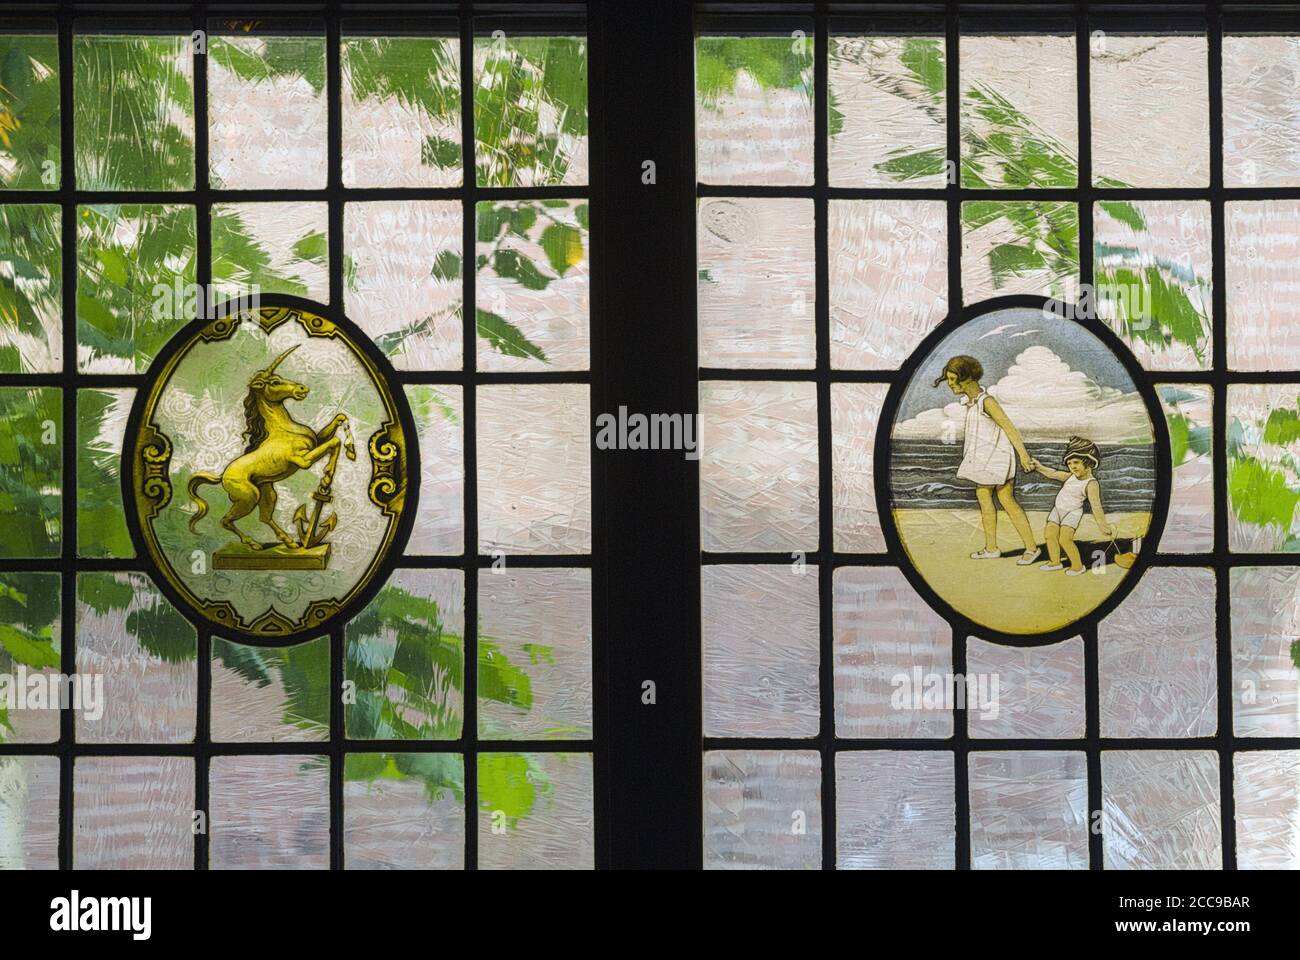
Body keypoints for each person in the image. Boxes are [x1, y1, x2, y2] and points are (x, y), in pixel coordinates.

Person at [935, 355, 1040, 564]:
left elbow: (1009, 428)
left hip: (998, 457)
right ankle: (991, 547)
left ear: (968, 379)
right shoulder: (971, 403)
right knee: (984, 496)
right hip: (984, 457)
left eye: (953, 379)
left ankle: (1031, 548)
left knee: (1006, 499)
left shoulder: (987, 402)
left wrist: (1024, 456)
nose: (949, 384)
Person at [1029, 436, 1114, 576]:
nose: (1072, 466)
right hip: (1057, 510)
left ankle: (1077, 566)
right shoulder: (1070, 476)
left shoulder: (1091, 483)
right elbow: (1053, 473)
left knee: (1065, 539)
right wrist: (1038, 467)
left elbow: (1096, 506)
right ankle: (1055, 562)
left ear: (1088, 463)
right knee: (1049, 535)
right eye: (1069, 463)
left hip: (1072, 513)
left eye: (1076, 462)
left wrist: (1103, 525)